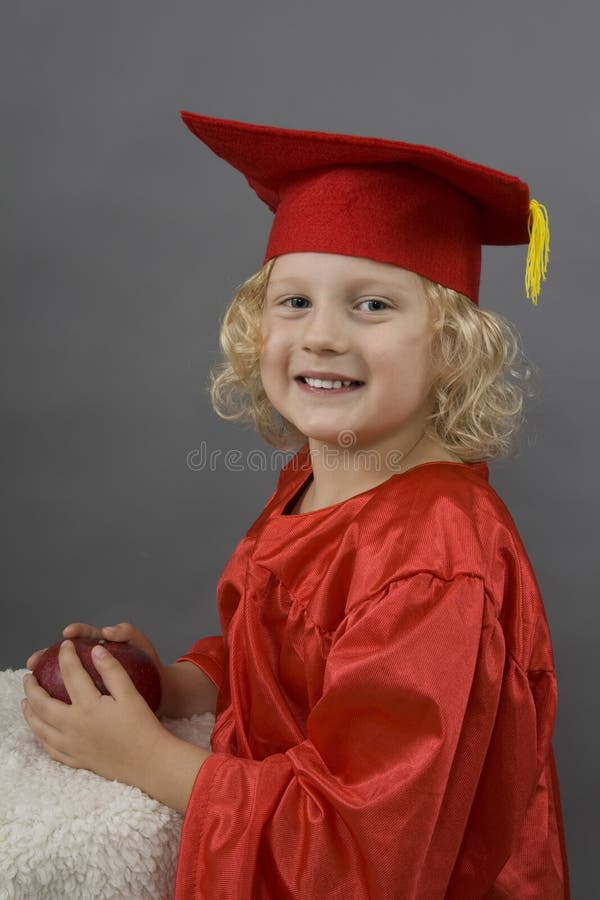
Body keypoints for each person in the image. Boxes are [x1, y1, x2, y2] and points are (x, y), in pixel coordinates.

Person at [22, 113, 570, 899]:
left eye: (372, 305)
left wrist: (146, 759)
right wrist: (176, 685)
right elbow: (296, 662)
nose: (322, 336)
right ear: (256, 329)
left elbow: (364, 851)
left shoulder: (433, 559)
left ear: (452, 349)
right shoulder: (318, 479)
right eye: (294, 302)